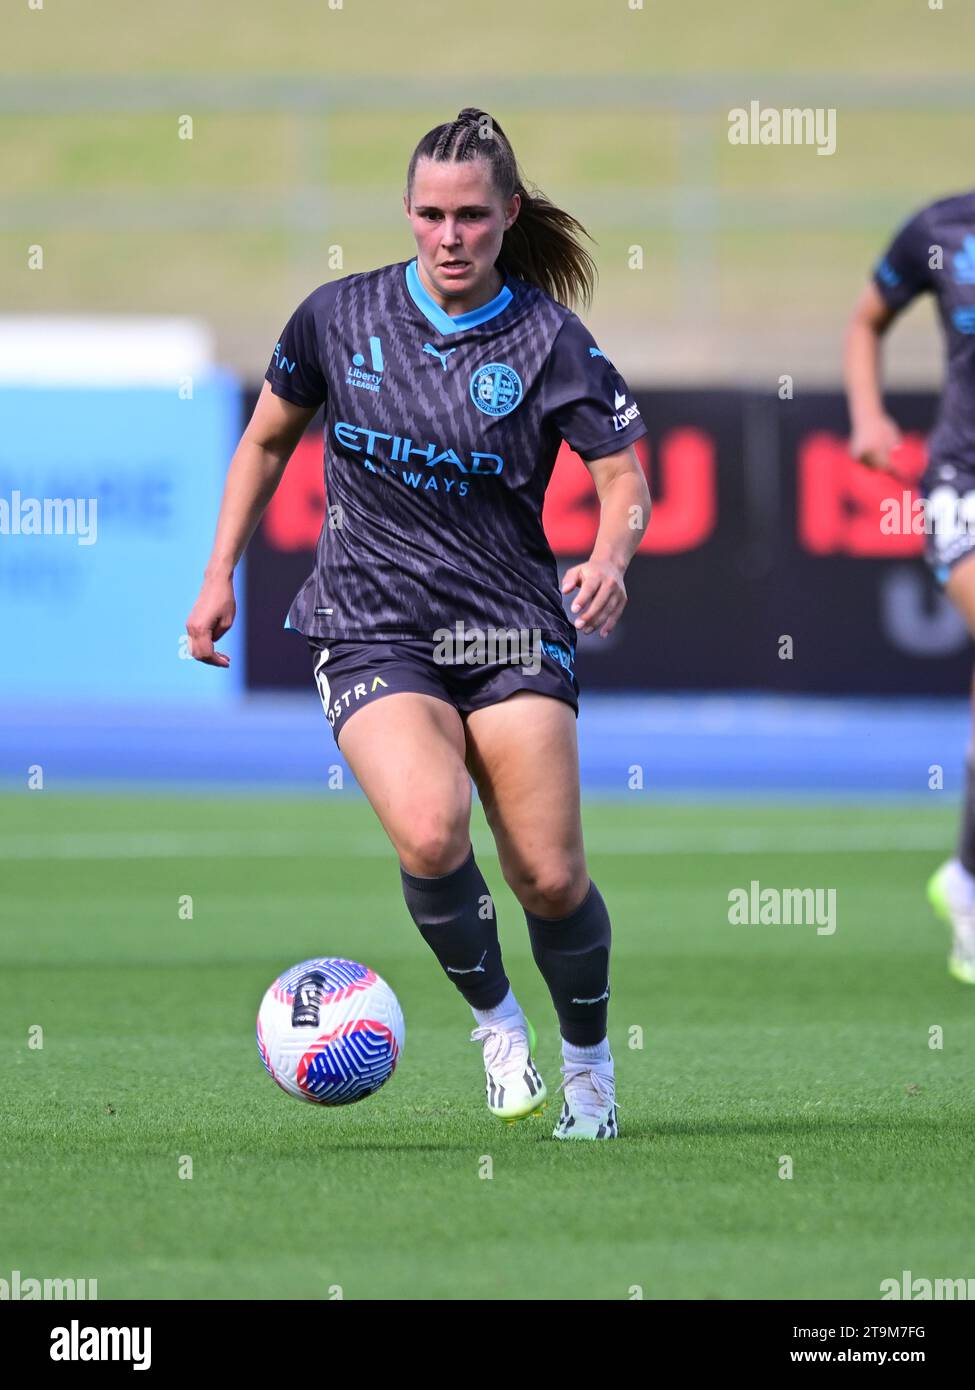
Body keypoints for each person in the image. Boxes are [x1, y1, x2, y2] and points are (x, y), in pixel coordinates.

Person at [186, 107, 651, 1137]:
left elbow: (623, 479)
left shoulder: (548, 340)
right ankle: (498, 1034)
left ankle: (588, 1068)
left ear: (508, 214)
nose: (451, 236)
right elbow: (265, 443)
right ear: (406, 213)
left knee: (547, 872)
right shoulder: (336, 319)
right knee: (434, 827)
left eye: (473, 216)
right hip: (371, 623)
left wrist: (610, 557)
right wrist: (220, 571)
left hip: (508, 629)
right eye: (432, 215)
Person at [844, 189, 975, 984]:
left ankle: (964, 877)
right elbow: (867, 319)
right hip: (962, 483)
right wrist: (867, 414)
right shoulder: (941, 229)